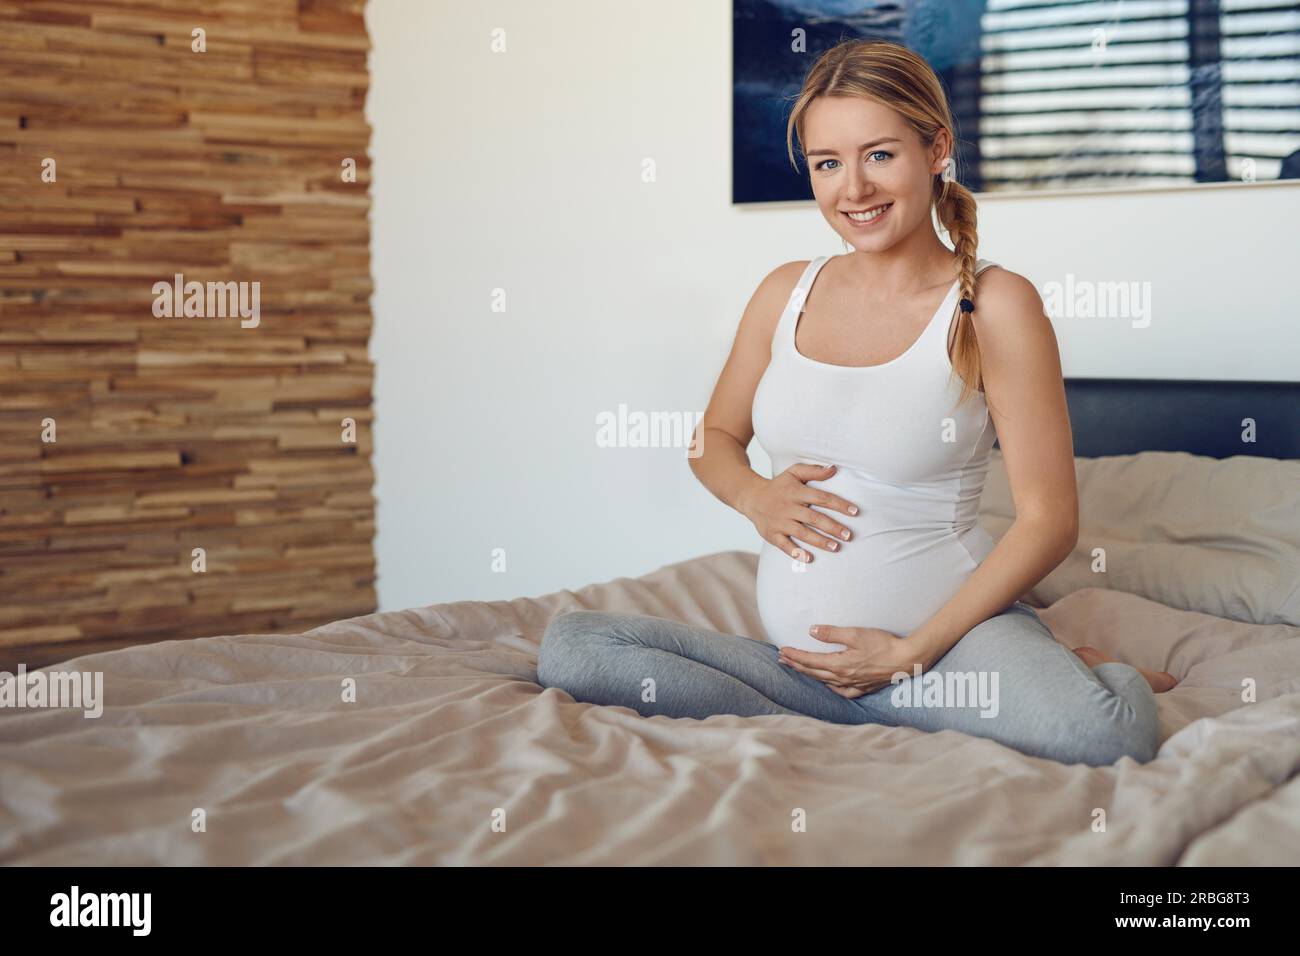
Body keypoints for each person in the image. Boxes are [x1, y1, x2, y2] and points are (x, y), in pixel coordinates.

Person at [537, 39, 1174, 767]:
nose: (854, 190)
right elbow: (712, 435)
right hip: (802, 663)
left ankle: (1023, 677)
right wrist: (754, 497)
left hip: (948, 641)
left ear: (936, 149)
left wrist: (909, 653)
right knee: (577, 650)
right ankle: (864, 703)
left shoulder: (995, 305)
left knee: (1102, 733)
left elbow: (1049, 521)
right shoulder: (786, 291)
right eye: (828, 163)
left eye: (879, 155)